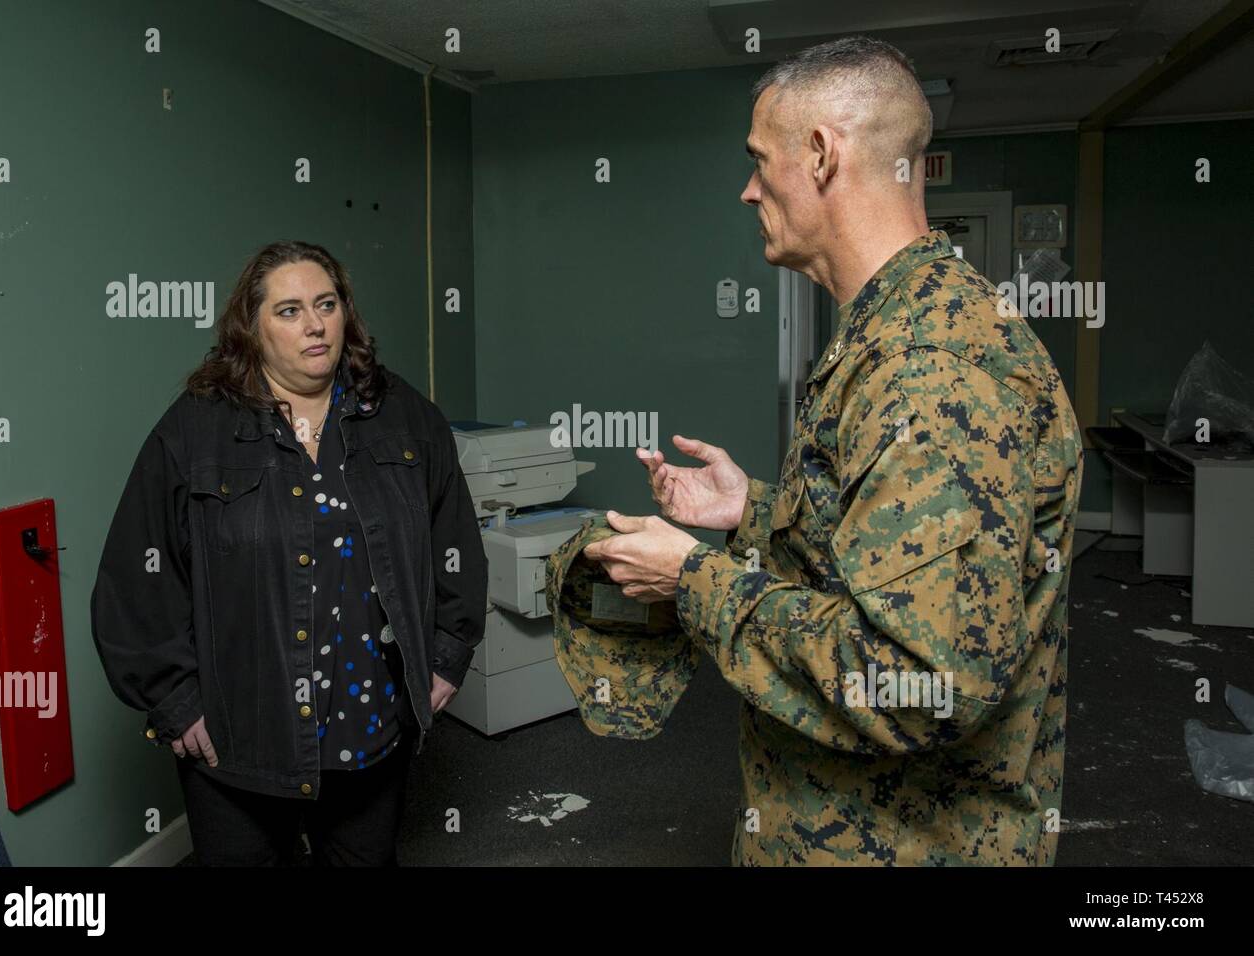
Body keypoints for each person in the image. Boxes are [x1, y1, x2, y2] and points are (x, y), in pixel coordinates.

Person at [584, 37, 1083, 865]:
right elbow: (894, 550)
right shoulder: (903, 330)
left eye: (757, 160)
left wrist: (693, 578)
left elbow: (917, 685)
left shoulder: (927, 370)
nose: (747, 190)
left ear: (819, 154)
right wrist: (755, 512)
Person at [91, 240, 487, 865]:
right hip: (242, 736)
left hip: (370, 724)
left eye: (326, 304)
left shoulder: (404, 416)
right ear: (250, 328)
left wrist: (448, 652)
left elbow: (455, 540)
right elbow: (137, 574)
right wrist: (172, 700)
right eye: (289, 310)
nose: (314, 325)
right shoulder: (195, 429)